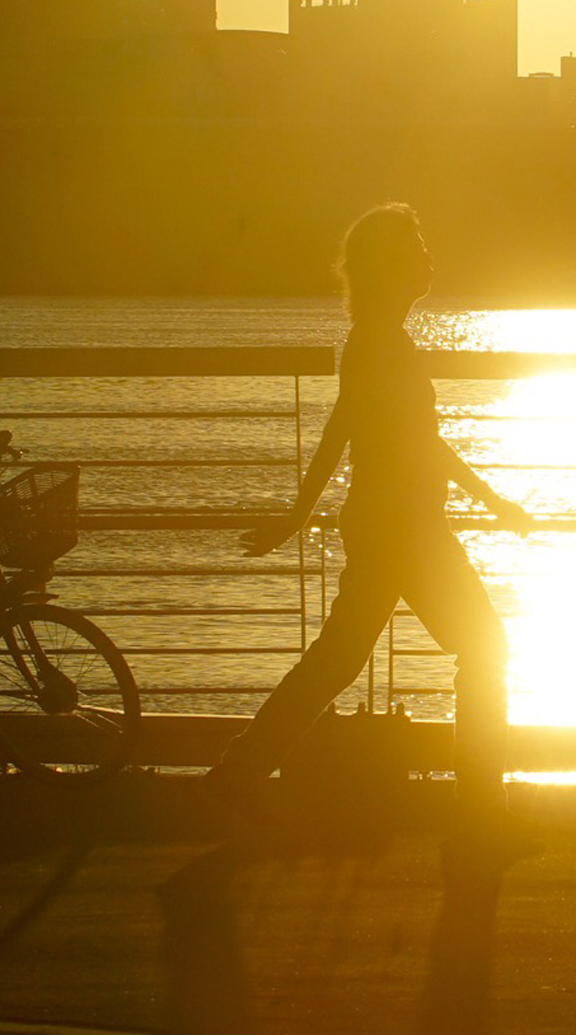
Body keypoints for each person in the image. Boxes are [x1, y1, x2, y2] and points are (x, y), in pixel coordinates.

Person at [203, 205, 534, 843]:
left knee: (338, 660)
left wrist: (299, 515)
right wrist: (494, 501)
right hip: (404, 528)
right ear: (389, 267)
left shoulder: (379, 340)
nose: (429, 257)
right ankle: (482, 813)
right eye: (416, 246)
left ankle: (237, 773)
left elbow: (358, 433)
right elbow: (374, 436)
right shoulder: (381, 344)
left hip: (392, 524)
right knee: (484, 646)